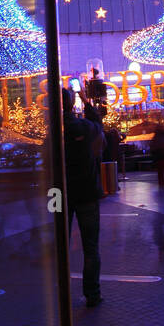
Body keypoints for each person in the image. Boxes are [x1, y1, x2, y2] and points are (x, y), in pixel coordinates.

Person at [62, 87, 104, 306]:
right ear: (71, 104)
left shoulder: (51, 130)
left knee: (60, 242)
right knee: (91, 245)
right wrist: (86, 101)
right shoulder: (82, 126)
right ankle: (92, 293)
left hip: (60, 193)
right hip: (86, 191)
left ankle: (61, 293)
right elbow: (98, 124)